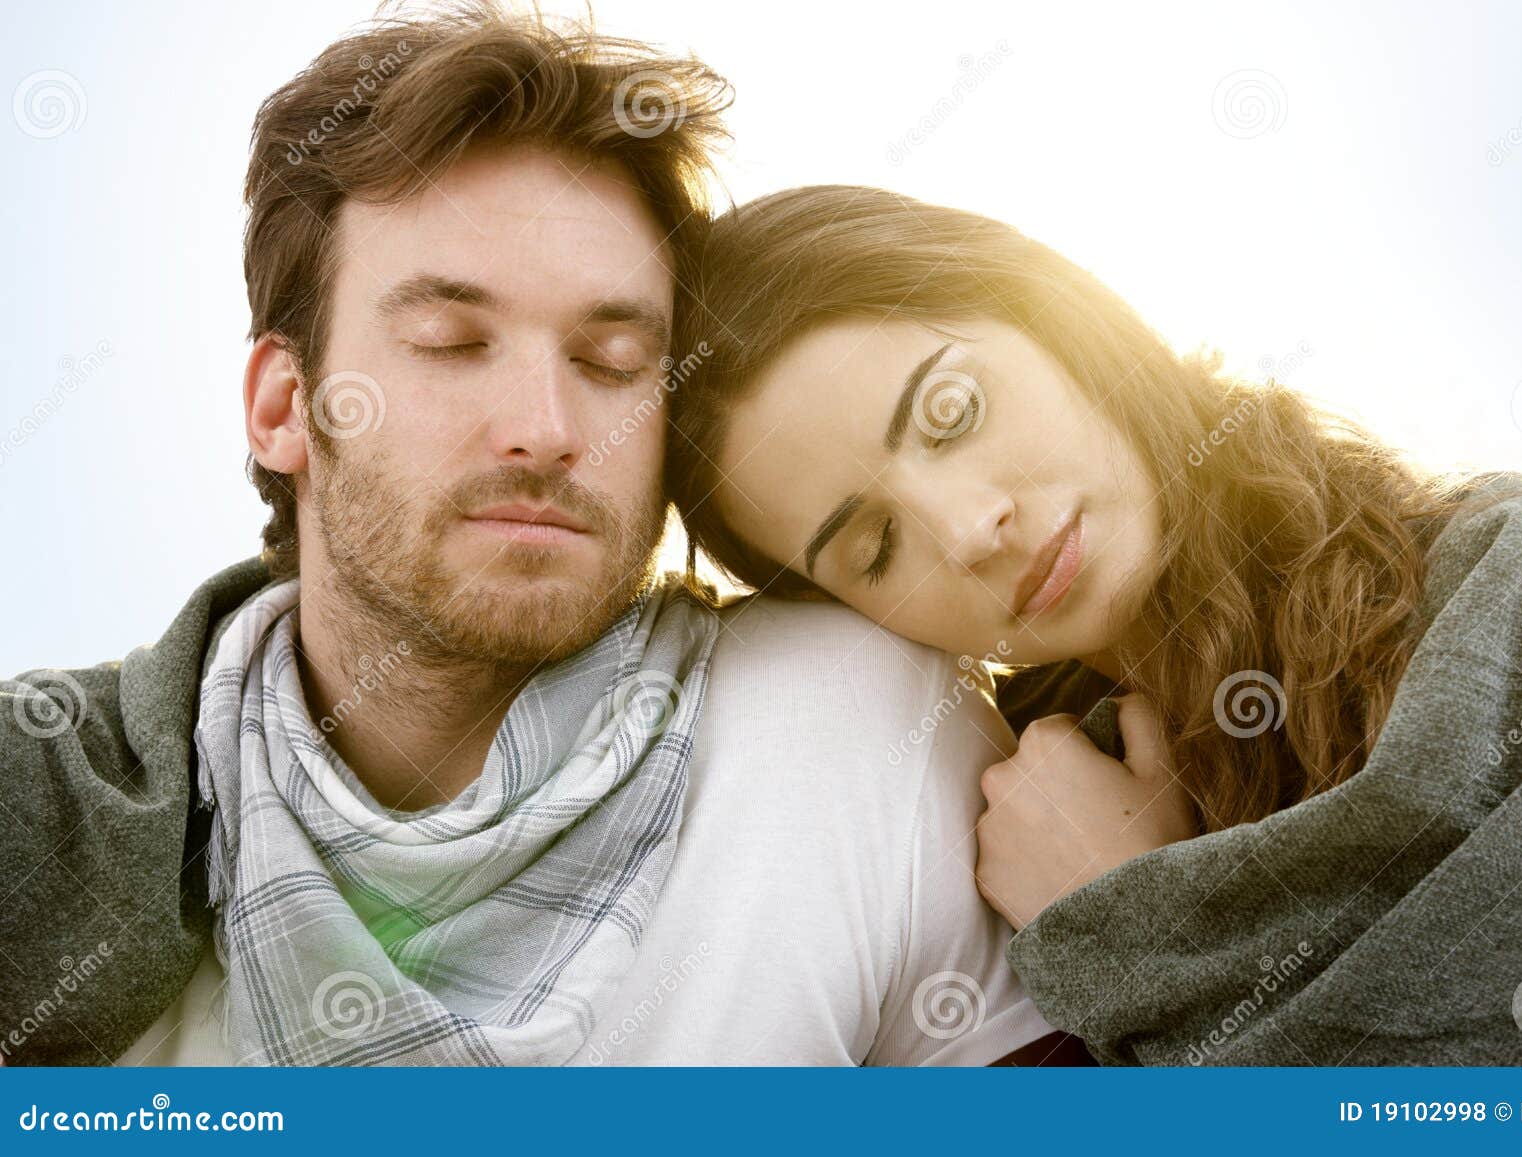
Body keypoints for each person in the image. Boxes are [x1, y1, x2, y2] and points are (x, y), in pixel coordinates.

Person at [0, 11, 1054, 1067]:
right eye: (450, 343)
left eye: (612, 360)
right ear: (283, 406)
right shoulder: (47, 834)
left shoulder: (862, 729)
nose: (547, 429)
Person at [665, 184, 1522, 1064]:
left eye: (953, 411)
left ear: (1055, 315)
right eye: (874, 546)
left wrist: (1144, 925)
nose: (966, 528)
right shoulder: (1009, 847)